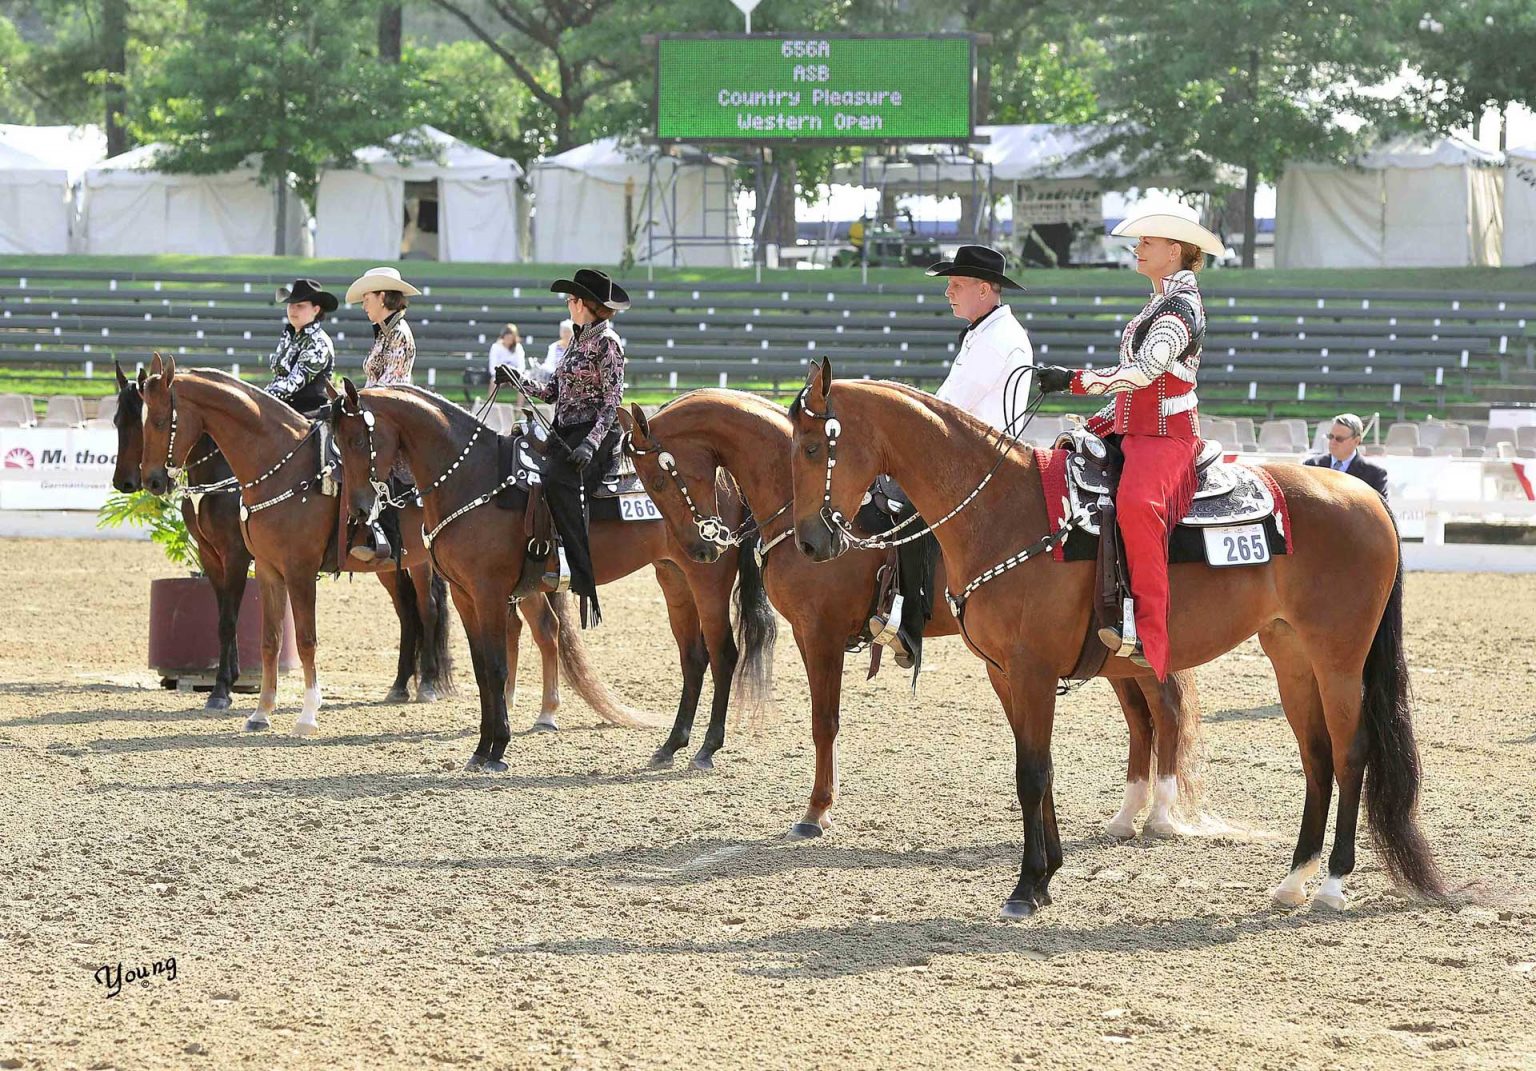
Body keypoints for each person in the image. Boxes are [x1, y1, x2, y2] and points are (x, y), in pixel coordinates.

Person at [1035, 208, 1228, 680]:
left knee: (1138, 506)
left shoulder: (1182, 309)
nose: (1137, 249)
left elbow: (1144, 373)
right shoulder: (1159, 304)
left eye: (1147, 242)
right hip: (1129, 427)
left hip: (1165, 437)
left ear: (1175, 251)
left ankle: (1148, 631)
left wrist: (1074, 379)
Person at [868, 244, 1034, 667]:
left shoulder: (997, 339)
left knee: (904, 504)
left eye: (956, 285)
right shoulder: (987, 331)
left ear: (984, 289)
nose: (949, 293)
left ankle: (908, 621)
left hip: (979, 460)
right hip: (970, 451)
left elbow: (950, 408)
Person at [495, 269, 629, 626]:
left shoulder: (608, 343)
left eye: (571, 300)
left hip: (594, 436)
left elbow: (613, 400)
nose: (568, 305)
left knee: (556, 479)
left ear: (584, 305)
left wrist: (591, 443)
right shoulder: (578, 341)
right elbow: (552, 390)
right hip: (564, 430)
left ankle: (578, 572)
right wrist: (517, 380)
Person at [345, 266, 422, 562]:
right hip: (380, 412)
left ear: (382, 297)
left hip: (394, 415)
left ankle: (390, 538)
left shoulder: (400, 334)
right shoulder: (385, 334)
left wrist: (360, 401)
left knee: (379, 460)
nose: (364, 305)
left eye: (367, 298)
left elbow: (391, 386)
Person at [265, 279, 338, 413]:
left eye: (300, 305)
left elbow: (293, 382)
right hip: (286, 408)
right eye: (290, 305)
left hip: (310, 414)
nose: (293, 309)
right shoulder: (289, 335)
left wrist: (259, 396)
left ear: (316, 309)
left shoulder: (319, 342)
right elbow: (280, 378)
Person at [1305, 413, 1388, 498]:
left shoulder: (1374, 474)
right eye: (1331, 436)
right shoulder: (1311, 466)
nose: (1333, 442)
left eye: (1339, 439)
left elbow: (1381, 509)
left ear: (1356, 441)